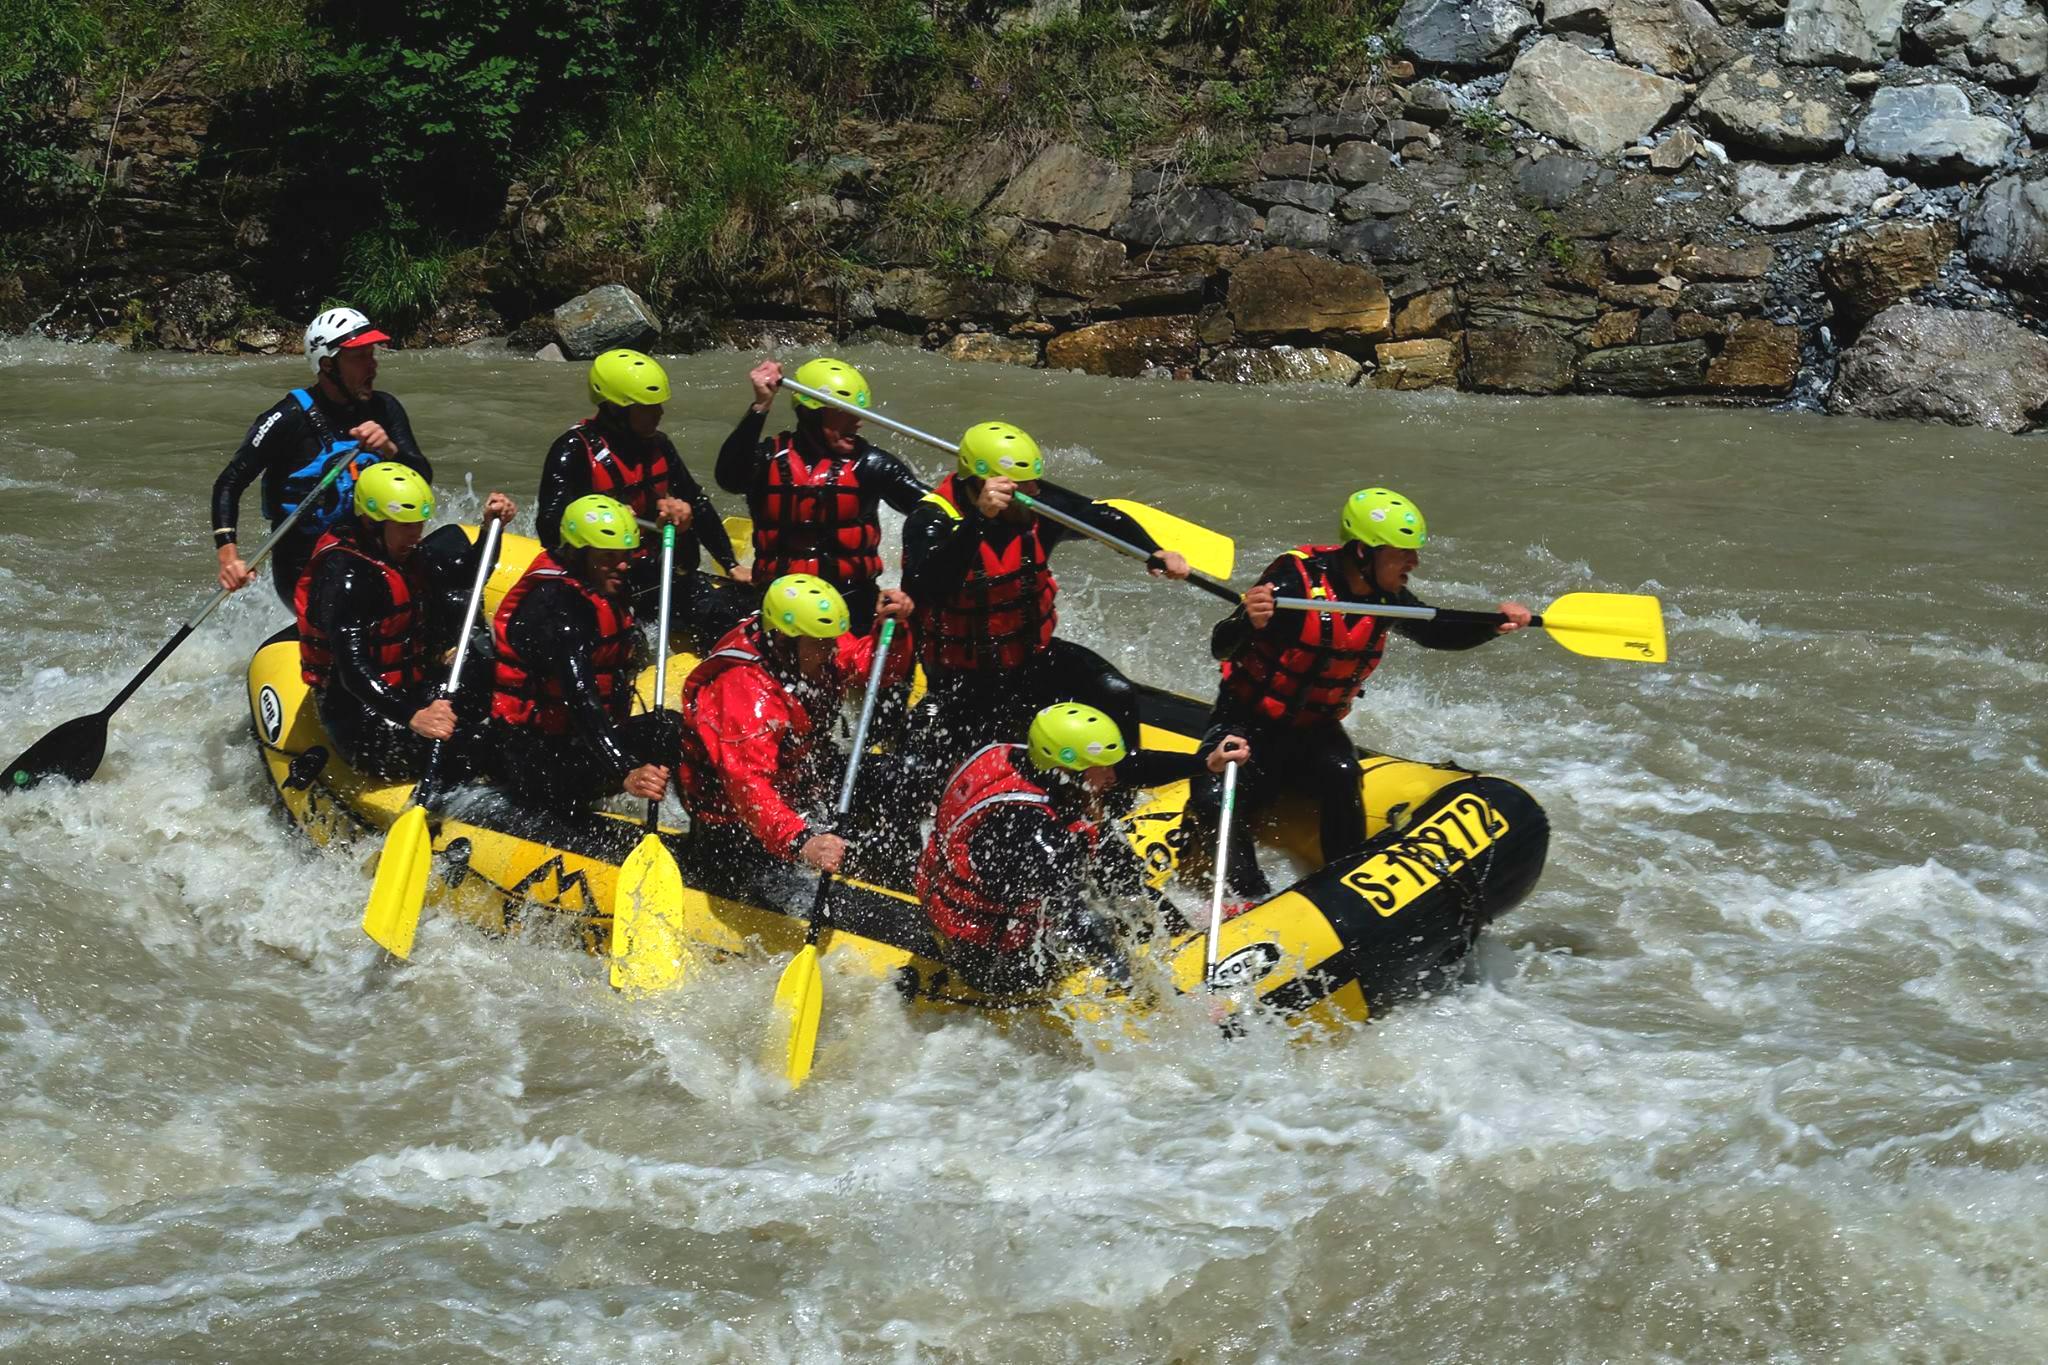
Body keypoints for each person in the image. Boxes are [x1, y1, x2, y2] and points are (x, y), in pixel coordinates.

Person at [1185, 488, 1532, 901]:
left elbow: (1434, 630)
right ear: (1366, 553)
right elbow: (1221, 646)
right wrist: (1247, 620)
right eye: (1403, 552)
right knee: (1212, 791)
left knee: (1342, 772)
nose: (1414, 562)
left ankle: (1342, 885)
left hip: (1313, 729)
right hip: (1247, 719)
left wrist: (1492, 624)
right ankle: (1248, 897)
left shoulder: (1387, 597)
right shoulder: (1294, 580)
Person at [899, 420, 1190, 781]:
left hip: (1030, 661)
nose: (1036, 491)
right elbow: (931, 585)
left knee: (1115, 693)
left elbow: (1098, 516)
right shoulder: (930, 521)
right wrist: (979, 521)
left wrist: (1152, 551)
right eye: (1024, 486)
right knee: (917, 772)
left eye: (1035, 481)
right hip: (961, 680)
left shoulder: (1035, 506)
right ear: (986, 485)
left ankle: (1115, 796)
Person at [917, 704, 1249, 996]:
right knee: (1092, 886)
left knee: (1113, 854)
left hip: (999, 896)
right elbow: (1077, 918)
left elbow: (1126, 767)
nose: (1111, 776)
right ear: (1066, 771)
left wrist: (1204, 763)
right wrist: (1148, 990)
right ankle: (1165, 942)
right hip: (992, 959)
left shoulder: (1024, 758)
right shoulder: (1029, 833)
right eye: (1101, 768)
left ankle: (1172, 923)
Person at [676, 573, 916, 901]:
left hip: (800, 783)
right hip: (734, 823)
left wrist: (893, 629)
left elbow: (876, 669)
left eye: (832, 639)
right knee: (776, 890)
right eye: (821, 642)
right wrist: (802, 843)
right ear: (786, 640)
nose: (832, 649)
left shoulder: (813, 644)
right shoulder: (745, 692)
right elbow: (750, 790)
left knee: (896, 777)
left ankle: (902, 877)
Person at [293, 462, 515, 782]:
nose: (415, 534)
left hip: (411, 689)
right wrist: (414, 717)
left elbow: (469, 575)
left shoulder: (404, 555)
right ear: (371, 522)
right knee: (481, 747)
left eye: (419, 523)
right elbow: (352, 672)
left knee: (490, 672)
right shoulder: (344, 577)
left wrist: (491, 528)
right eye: (404, 526)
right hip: (361, 716)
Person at [537, 349, 752, 650]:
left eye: (659, 405)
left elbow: (698, 502)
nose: (660, 413)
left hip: (648, 569)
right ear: (615, 408)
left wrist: (730, 564)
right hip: (597, 573)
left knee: (733, 606)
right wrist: (602, 518)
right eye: (648, 407)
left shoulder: (660, 446)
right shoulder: (573, 449)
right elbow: (549, 527)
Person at [213, 307, 429, 605]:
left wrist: (389, 450)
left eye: (372, 354)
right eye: (360, 357)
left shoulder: (385, 409)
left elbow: (423, 478)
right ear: (328, 365)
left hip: (373, 553)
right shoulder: (288, 418)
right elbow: (229, 483)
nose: (373, 366)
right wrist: (229, 556)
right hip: (306, 567)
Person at [485, 495, 673, 813]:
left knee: (671, 728)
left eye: (626, 554)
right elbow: (580, 697)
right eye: (610, 555)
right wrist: (624, 768)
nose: (624, 564)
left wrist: (683, 530)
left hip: (578, 744)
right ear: (580, 552)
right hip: (535, 758)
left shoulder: (602, 575)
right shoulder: (557, 608)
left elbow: (675, 572)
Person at [714, 357, 928, 633]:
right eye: (845, 412)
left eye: (858, 412)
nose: (858, 422)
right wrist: (761, 406)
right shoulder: (768, 460)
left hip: (853, 601)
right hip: (781, 601)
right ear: (811, 414)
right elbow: (728, 478)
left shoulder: (872, 465)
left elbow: (931, 511)